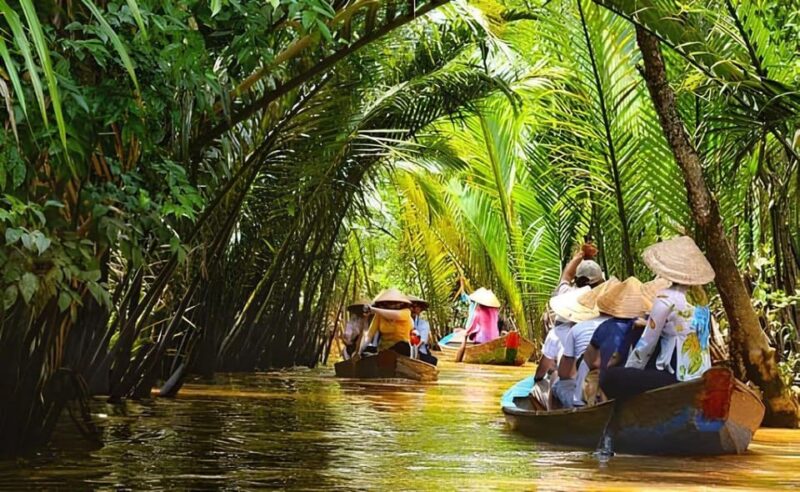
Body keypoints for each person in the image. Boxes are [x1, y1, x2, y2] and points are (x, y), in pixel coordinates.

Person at [608, 236, 715, 398]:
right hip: (701, 374)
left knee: (611, 377)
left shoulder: (666, 297)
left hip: (676, 376)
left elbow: (646, 344)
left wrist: (629, 371)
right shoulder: (701, 299)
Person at [582, 277, 671, 400]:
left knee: (608, 376)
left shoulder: (635, 326)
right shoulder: (686, 320)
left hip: (654, 377)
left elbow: (607, 360)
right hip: (671, 375)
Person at [534, 246, 606, 383]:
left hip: (573, 383)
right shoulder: (604, 307)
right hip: (600, 381)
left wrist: (580, 255)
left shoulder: (566, 294)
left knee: (555, 376)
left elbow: (566, 275)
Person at [550, 279, 618, 408]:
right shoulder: (627, 327)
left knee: (557, 383)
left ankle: (551, 417)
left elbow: (564, 373)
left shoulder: (578, 328)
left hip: (583, 400)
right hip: (613, 395)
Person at [361, 288, 415, 356]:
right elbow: (369, 335)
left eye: (396, 303)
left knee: (402, 346)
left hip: (401, 349)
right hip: (383, 349)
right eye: (390, 303)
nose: (393, 305)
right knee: (365, 351)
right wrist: (360, 349)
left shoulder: (406, 312)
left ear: (401, 304)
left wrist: (373, 310)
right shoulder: (379, 315)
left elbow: (396, 315)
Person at [409, 295, 438, 366]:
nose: (413, 309)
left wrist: (412, 351)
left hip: (419, 351)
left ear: (420, 309)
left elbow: (422, 341)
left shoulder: (424, 324)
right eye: (411, 306)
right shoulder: (401, 322)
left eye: (416, 307)